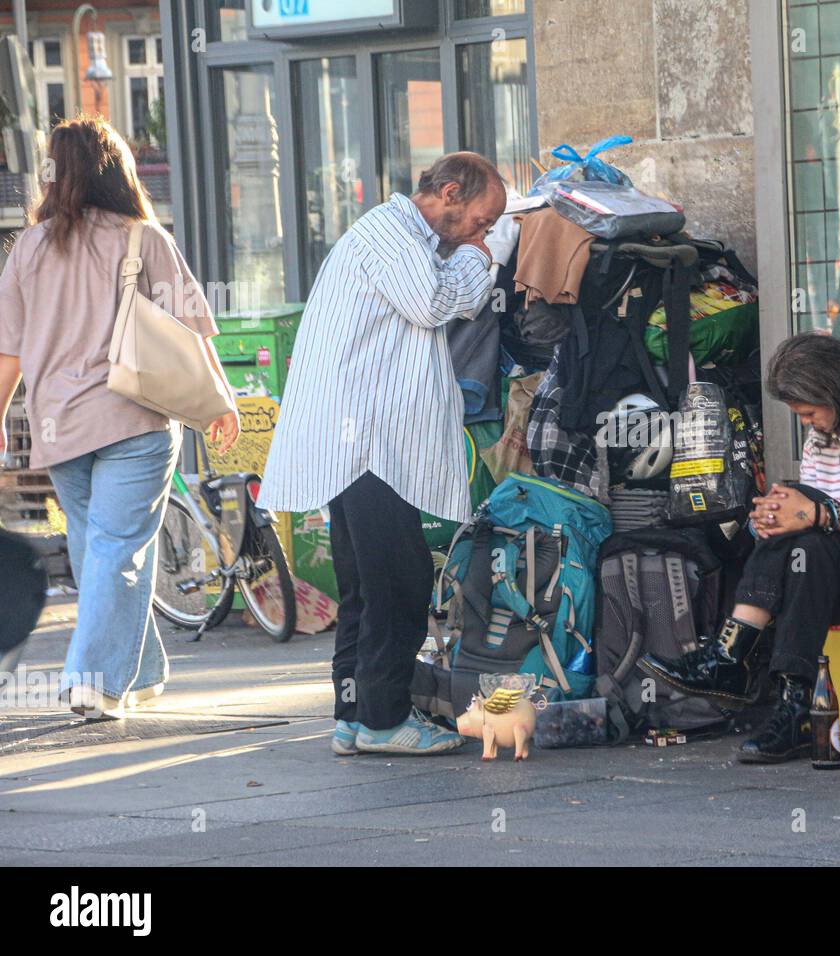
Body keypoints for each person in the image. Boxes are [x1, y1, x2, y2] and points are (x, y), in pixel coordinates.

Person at [257, 152, 506, 757]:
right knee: (400, 578)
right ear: (448, 193)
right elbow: (432, 304)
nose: (483, 233)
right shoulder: (391, 233)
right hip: (368, 443)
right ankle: (384, 718)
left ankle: (354, 713)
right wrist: (480, 262)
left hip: (359, 440)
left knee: (366, 582)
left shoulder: (401, 237)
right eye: (480, 220)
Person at [0, 117, 239, 720]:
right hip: (135, 417)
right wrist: (222, 400)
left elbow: (8, 349)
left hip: (58, 426)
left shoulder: (29, 247)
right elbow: (192, 330)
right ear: (119, 168)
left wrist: (0, 417)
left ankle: (144, 669)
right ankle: (96, 680)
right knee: (114, 548)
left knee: (98, 548)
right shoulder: (144, 237)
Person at [639, 332, 840, 763]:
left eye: (809, 412)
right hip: (836, 577)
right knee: (804, 541)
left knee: (810, 526)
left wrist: (812, 514)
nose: (807, 424)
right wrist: (772, 522)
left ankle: (730, 656)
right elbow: (811, 522)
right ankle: (793, 708)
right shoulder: (824, 436)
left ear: (835, 392)